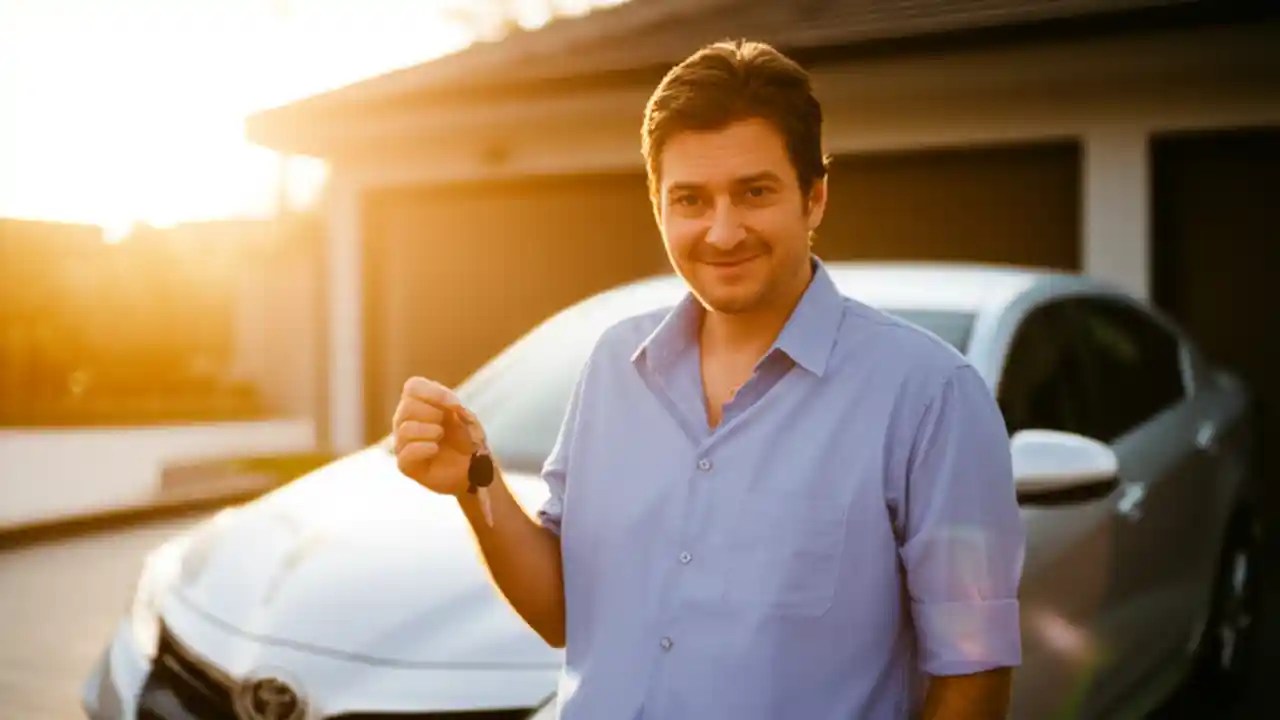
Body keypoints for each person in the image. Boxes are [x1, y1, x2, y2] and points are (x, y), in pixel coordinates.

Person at [392, 39, 1024, 720]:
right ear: (658, 206)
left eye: (754, 192)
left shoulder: (930, 395)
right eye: (691, 199)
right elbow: (563, 614)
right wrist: (477, 483)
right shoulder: (613, 368)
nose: (723, 233)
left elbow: (975, 674)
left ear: (814, 198)